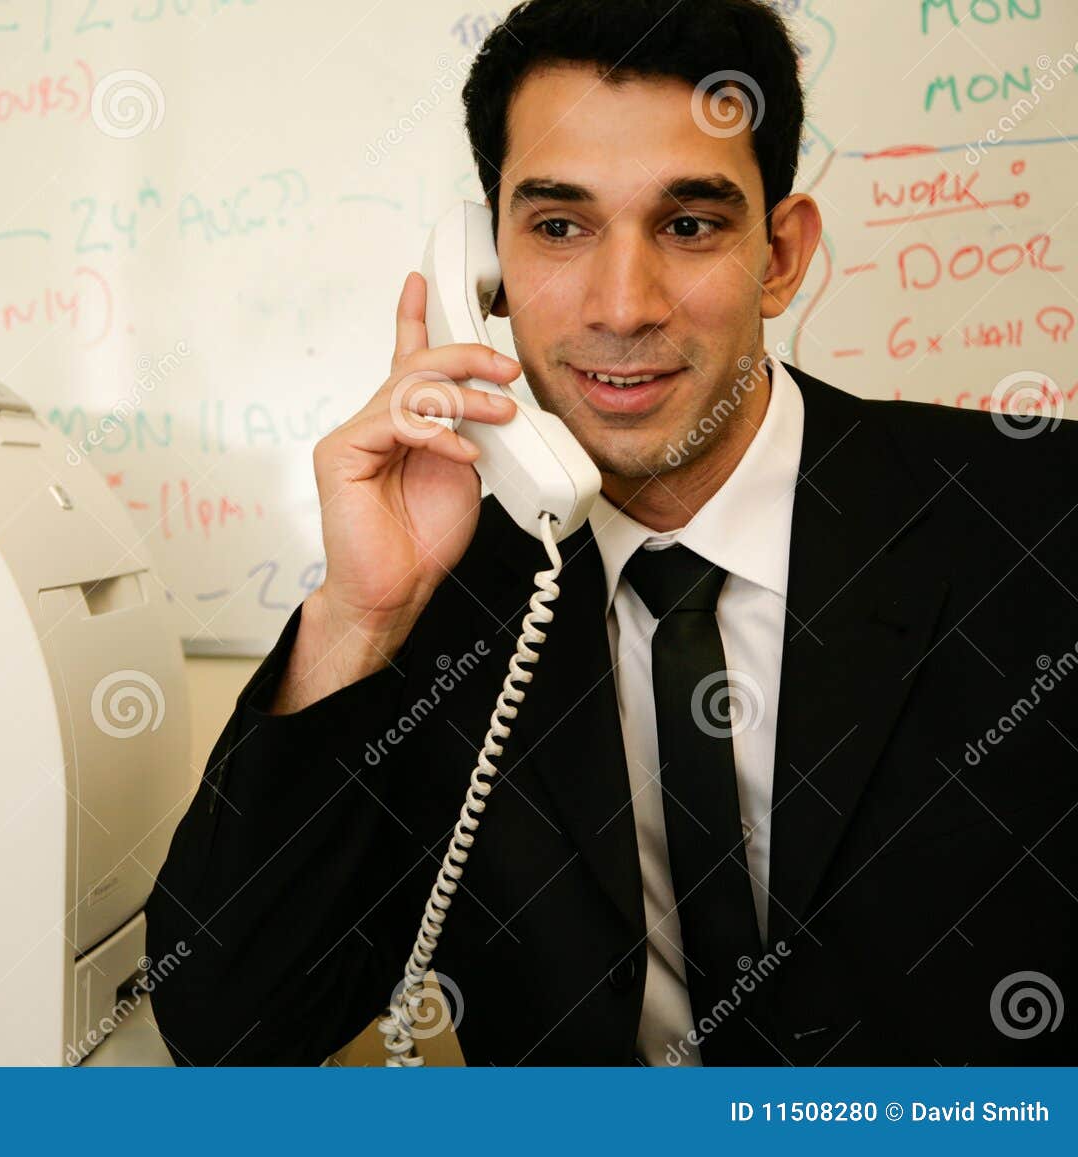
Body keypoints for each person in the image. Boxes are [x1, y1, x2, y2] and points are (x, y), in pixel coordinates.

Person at [144, 0, 1078, 1065]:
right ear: (481, 267)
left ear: (778, 255)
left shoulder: (1042, 511)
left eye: (687, 225)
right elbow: (229, 1027)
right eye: (557, 226)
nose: (622, 305)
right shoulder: (453, 598)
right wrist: (359, 622)